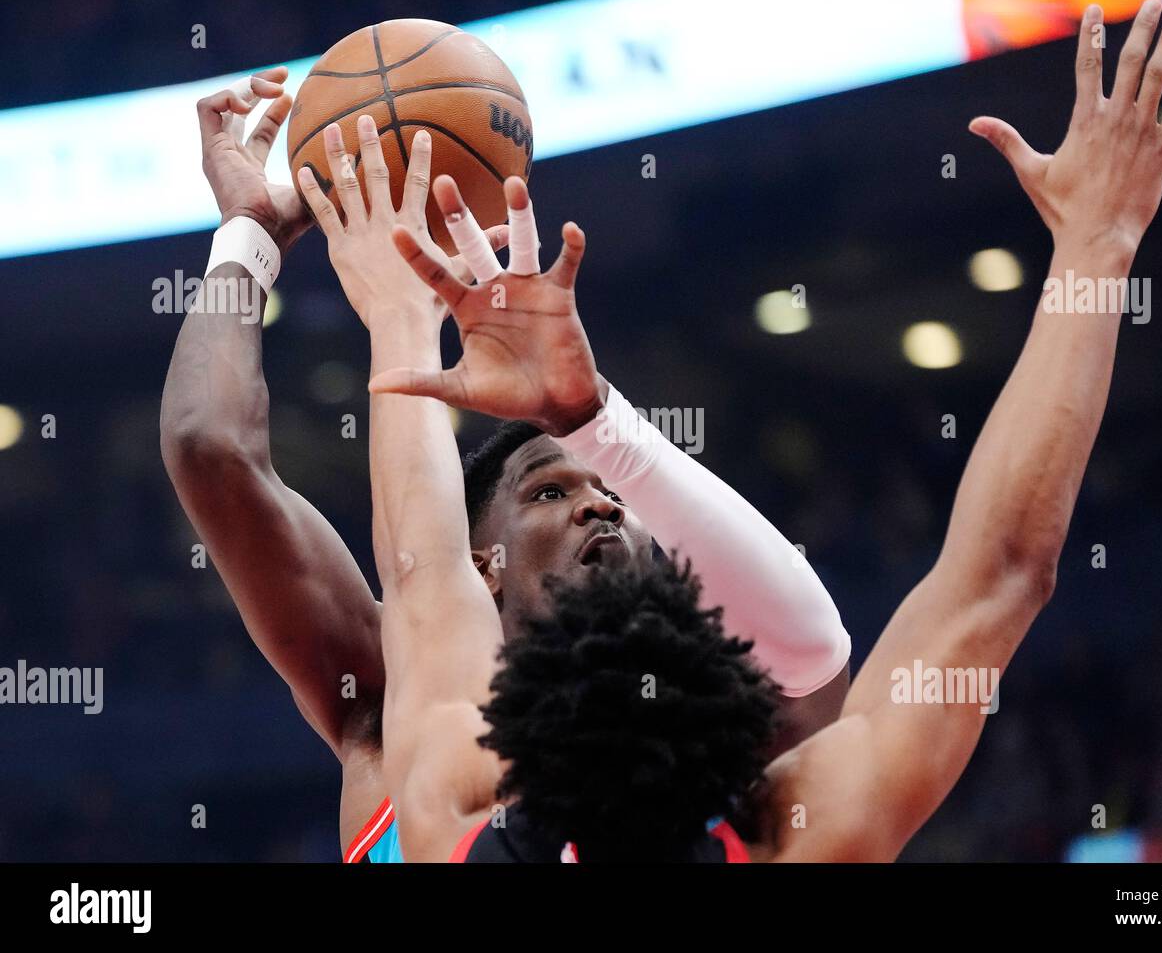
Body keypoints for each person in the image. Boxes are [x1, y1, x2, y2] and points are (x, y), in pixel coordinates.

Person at [312, 0, 1162, 860]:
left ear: (504, 737)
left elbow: (424, 571)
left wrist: (398, 314)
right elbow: (1005, 567)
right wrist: (1098, 243)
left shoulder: (452, 815)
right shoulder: (799, 836)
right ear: (750, 755)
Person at [161, 73, 850, 862]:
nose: (605, 508)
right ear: (480, 565)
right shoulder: (383, 706)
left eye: (614, 493)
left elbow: (816, 657)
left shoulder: (705, 735)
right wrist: (246, 239)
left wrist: (595, 420)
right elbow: (210, 452)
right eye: (551, 490)